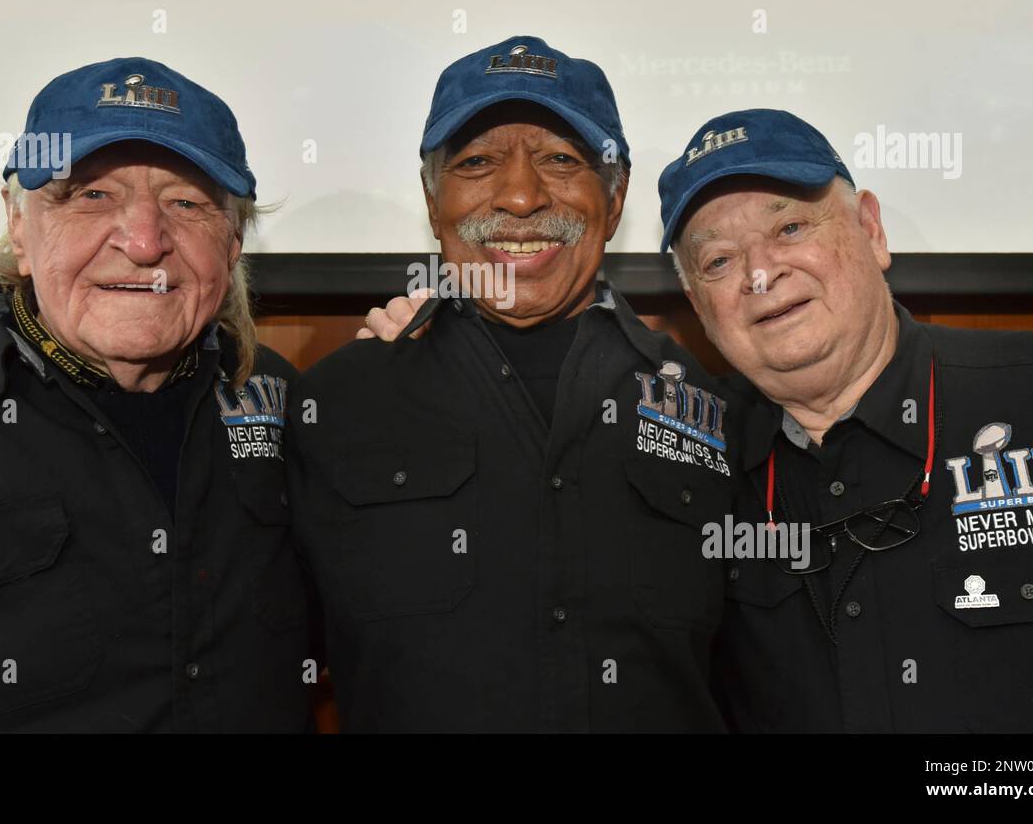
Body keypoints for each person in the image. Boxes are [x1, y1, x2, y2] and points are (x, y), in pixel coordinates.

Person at [0, 57, 316, 731]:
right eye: (91, 195)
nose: (143, 241)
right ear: (19, 225)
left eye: (186, 202)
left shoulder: (288, 406)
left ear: (230, 247)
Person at [288, 37, 736, 731]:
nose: (522, 195)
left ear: (613, 199)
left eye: (561, 159)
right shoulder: (332, 405)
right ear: (433, 203)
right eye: (476, 162)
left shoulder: (716, 409)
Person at [657, 107, 1033, 731]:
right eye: (718, 263)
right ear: (698, 307)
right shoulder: (687, 470)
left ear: (870, 229)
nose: (761, 273)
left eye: (790, 227)